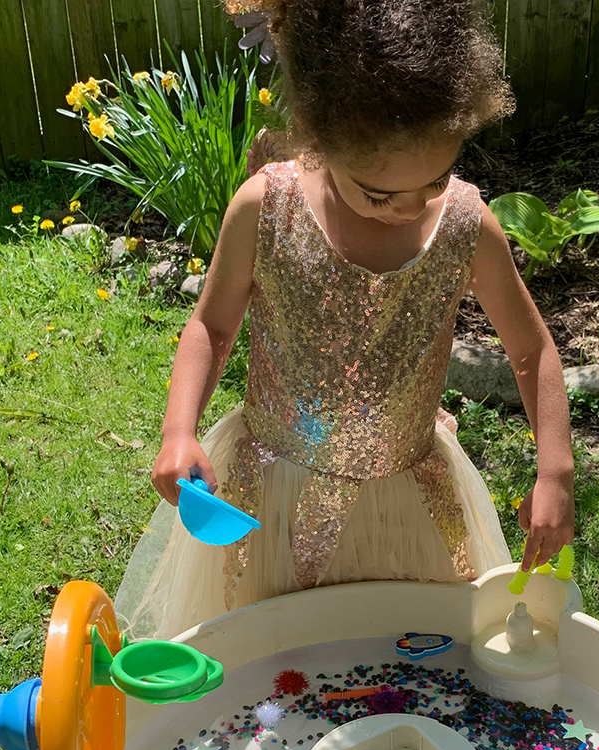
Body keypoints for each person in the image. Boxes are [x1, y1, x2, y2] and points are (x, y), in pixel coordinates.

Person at [115, 0, 574, 640]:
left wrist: (555, 470)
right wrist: (177, 430)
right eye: (379, 193)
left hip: (406, 500)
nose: (409, 207)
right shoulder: (266, 208)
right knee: (273, 653)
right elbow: (211, 328)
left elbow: (532, 350)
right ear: (317, 136)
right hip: (275, 496)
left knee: (407, 651)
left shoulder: (468, 225)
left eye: (436, 179)